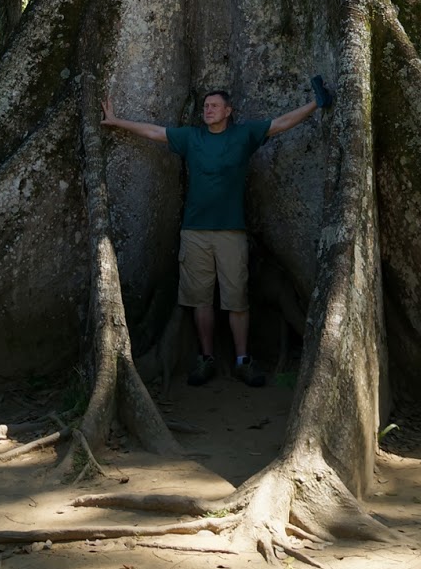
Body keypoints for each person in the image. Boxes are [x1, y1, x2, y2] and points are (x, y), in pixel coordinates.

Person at [101, 85, 327, 386]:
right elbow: (155, 132)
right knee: (200, 300)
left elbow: (280, 123)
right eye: (206, 106)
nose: (208, 110)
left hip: (231, 232)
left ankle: (243, 360)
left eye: (214, 106)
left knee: (237, 300)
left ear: (228, 111)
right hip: (194, 233)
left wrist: (315, 103)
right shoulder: (192, 137)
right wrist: (117, 121)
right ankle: (206, 358)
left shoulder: (243, 135)